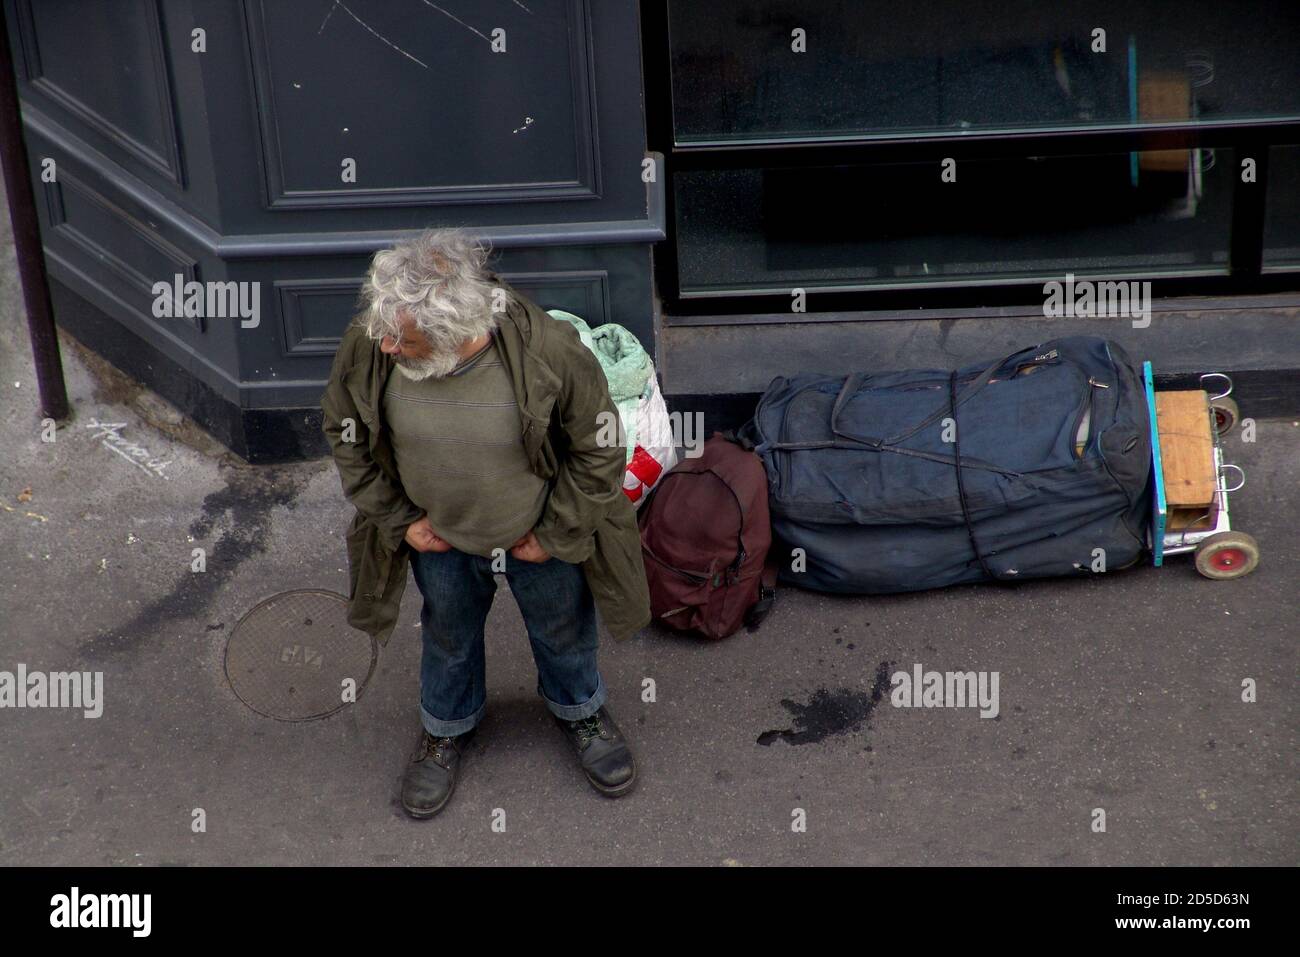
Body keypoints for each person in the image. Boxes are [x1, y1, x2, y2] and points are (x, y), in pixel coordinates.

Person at [321, 228, 651, 818]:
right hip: (439, 537)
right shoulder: (373, 340)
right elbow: (343, 433)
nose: (386, 347)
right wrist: (399, 521)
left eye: (404, 339)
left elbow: (600, 449)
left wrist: (555, 536)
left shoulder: (550, 351)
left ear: (452, 334)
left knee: (563, 628)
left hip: (537, 535)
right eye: (384, 331)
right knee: (447, 637)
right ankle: (446, 728)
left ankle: (581, 712)